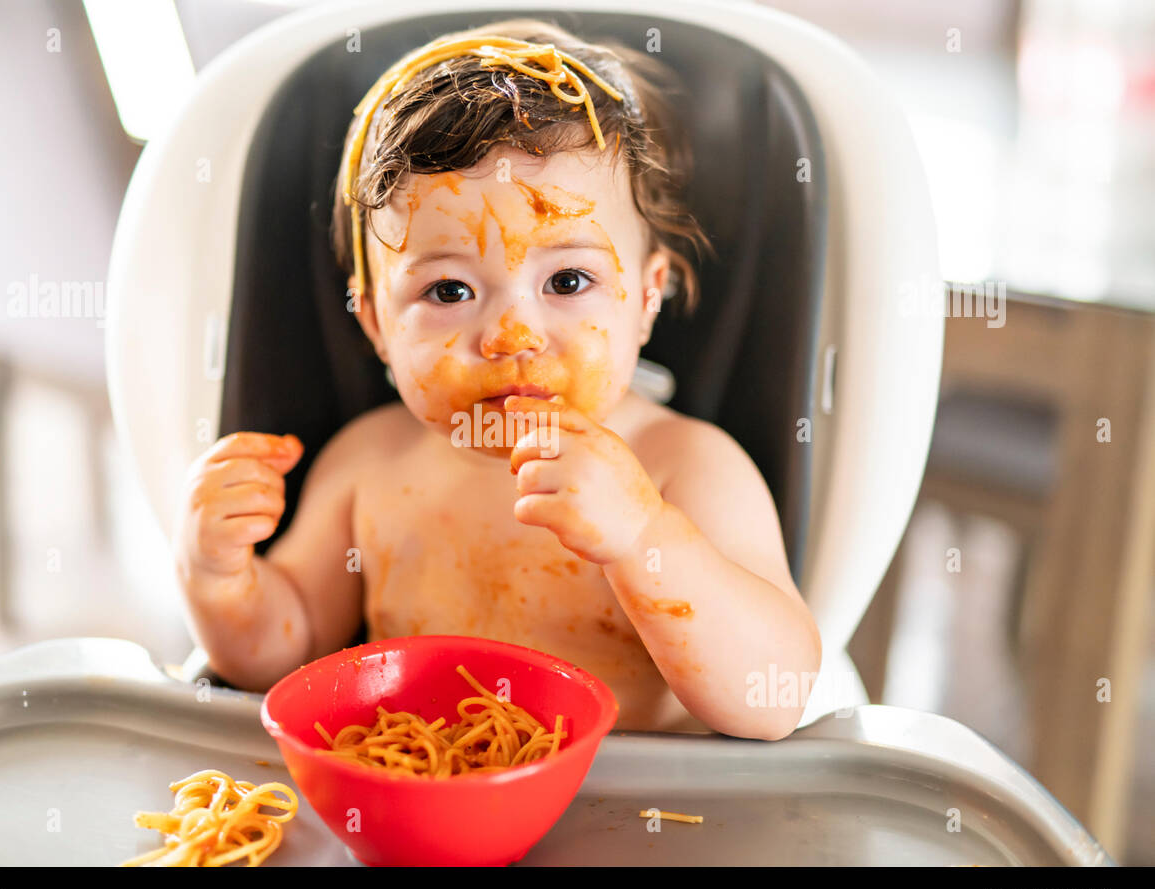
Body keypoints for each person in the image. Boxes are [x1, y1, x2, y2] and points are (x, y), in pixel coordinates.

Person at [172, 19, 821, 738]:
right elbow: (279, 654)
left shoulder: (685, 471)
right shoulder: (369, 465)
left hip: (642, 825)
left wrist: (643, 539)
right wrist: (219, 576)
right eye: (449, 292)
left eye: (568, 280)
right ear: (377, 325)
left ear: (645, 299)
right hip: (413, 823)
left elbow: (775, 697)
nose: (513, 336)